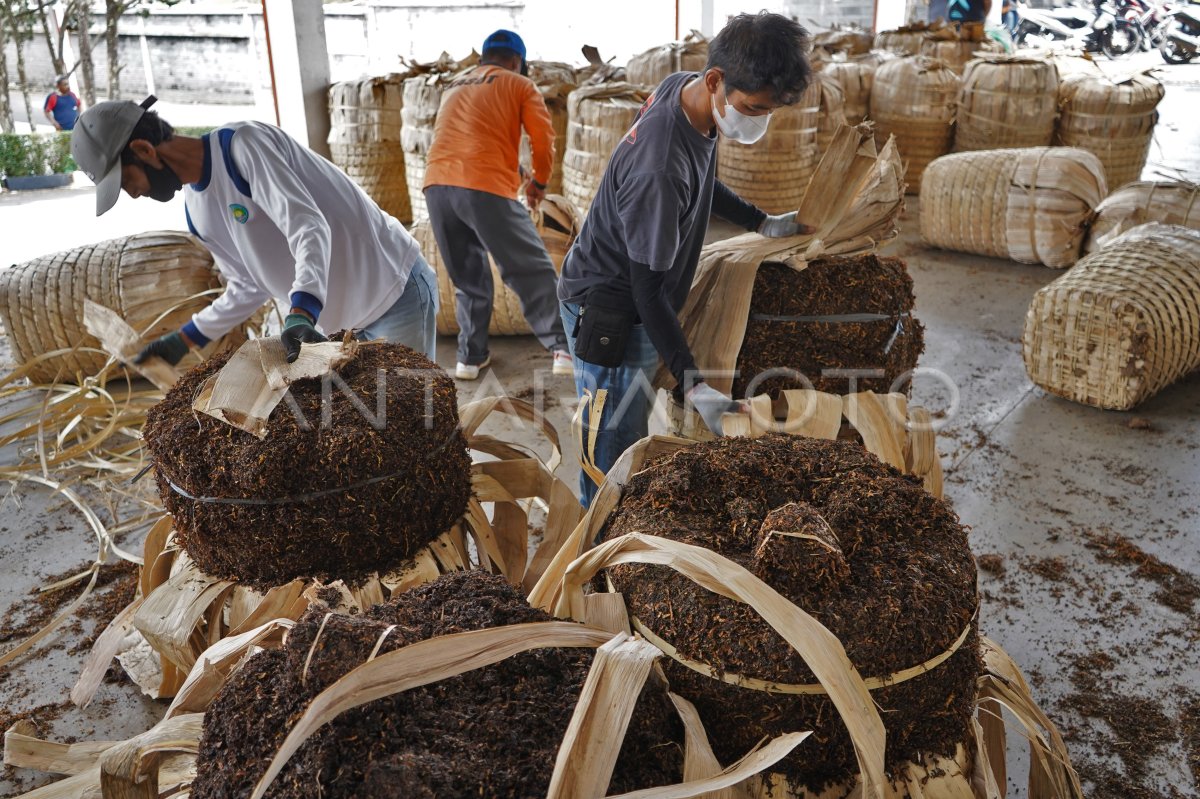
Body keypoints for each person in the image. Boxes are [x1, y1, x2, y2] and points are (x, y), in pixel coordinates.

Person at [556, 11, 814, 507]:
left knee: (626, 438)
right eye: (752, 108)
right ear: (716, 81)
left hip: (631, 287)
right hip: (612, 312)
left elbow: (701, 179)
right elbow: (647, 293)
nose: (758, 121)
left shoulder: (684, 89)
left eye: (768, 112)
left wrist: (761, 222)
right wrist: (696, 386)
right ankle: (598, 543)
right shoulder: (659, 170)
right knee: (613, 457)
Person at [71, 96, 438, 366]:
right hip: (332, 326)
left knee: (413, 420)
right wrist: (184, 339)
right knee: (365, 428)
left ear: (143, 150)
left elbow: (308, 227)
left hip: (392, 290)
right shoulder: (197, 212)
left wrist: (301, 311)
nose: (134, 193)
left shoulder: (243, 147)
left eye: (126, 181)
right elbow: (248, 285)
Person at [423, 29, 571, 380]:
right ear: (518, 61)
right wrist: (538, 184)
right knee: (531, 269)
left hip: (437, 187)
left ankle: (469, 358)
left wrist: (516, 172)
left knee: (468, 278)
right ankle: (564, 347)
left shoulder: (455, 85)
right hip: (484, 188)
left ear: (482, 58)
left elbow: (467, 138)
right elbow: (543, 141)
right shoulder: (520, 84)